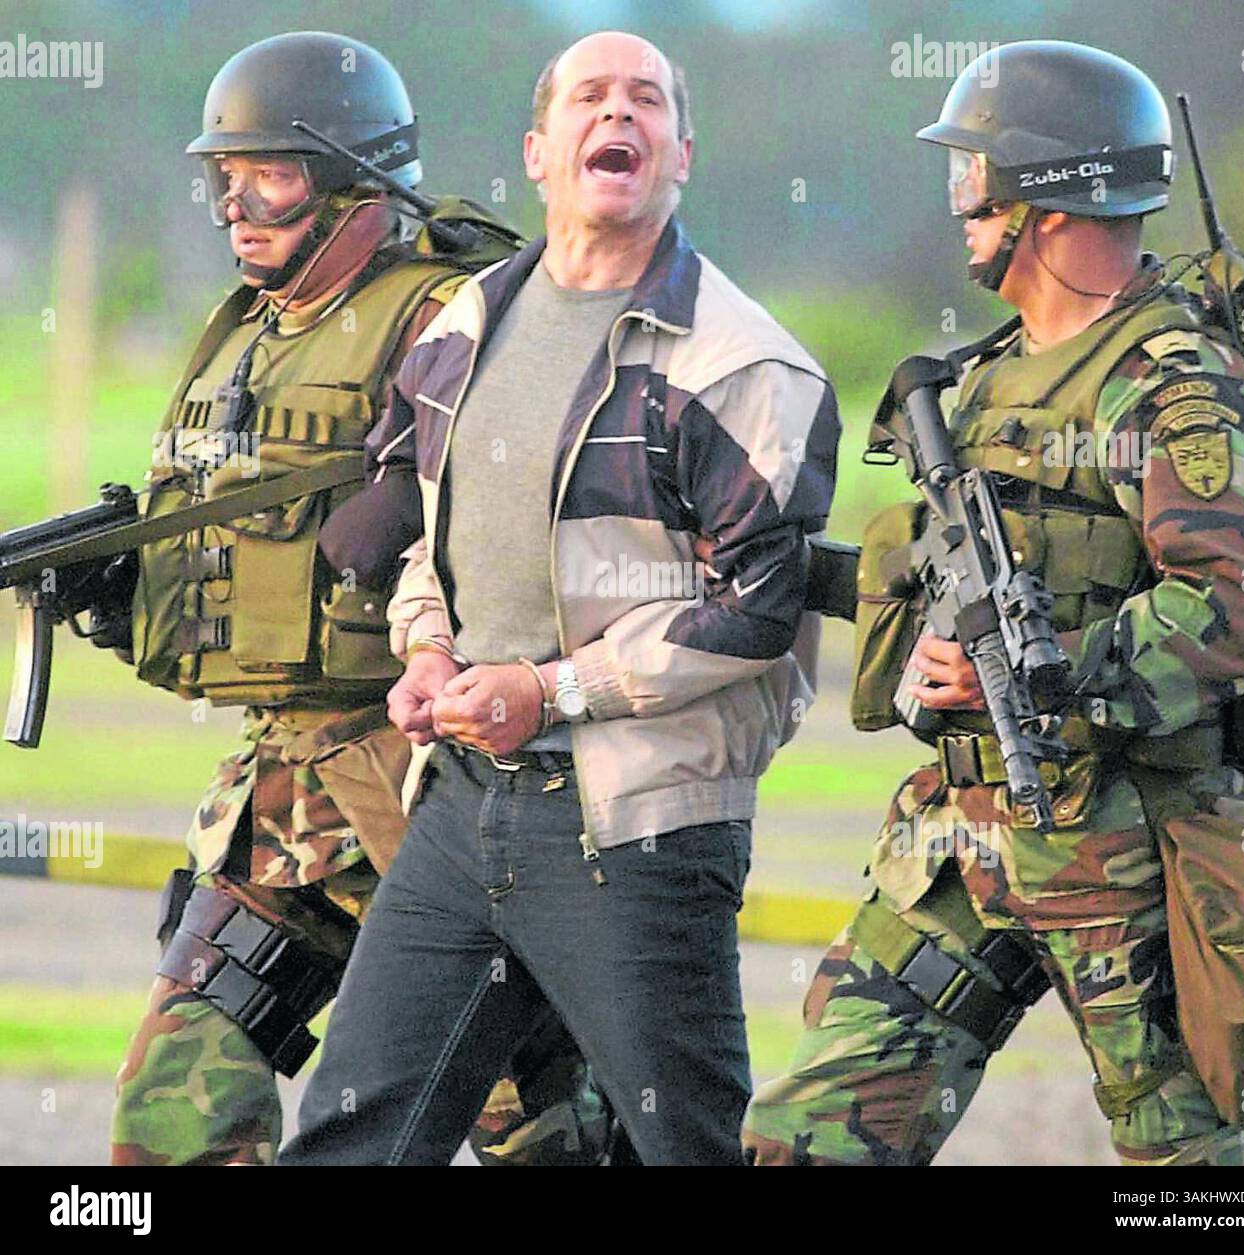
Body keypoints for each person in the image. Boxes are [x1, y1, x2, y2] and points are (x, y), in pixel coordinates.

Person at [277, 29, 839, 1167]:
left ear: (681, 153)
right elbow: (431, 532)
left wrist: (551, 688)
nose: (616, 116)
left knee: (682, 1143)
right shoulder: (463, 323)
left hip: (637, 828)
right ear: (538, 151)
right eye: (589, 97)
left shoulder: (742, 366)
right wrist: (427, 650)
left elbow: (757, 604)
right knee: (347, 1137)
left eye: (646, 101)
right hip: (459, 803)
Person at [743, 39, 1244, 1167]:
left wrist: (1065, 672)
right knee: (805, 1138)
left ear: (1044, 195)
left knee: (1193, 1171)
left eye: (974, 177)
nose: (958, 205)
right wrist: (810, 577)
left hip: (1134, 853)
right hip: (961, 843)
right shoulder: (990, 378)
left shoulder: (1171, 379)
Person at [107, 30, 608, 1167]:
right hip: (285, 794)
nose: (238, 208)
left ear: (353, 186)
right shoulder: (252, 330)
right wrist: (126, 591)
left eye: (269, 177)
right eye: (223, 181)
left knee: (544, 1127)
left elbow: (555, 539)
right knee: (176, 1096)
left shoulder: (455, 315)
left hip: (435, 787)